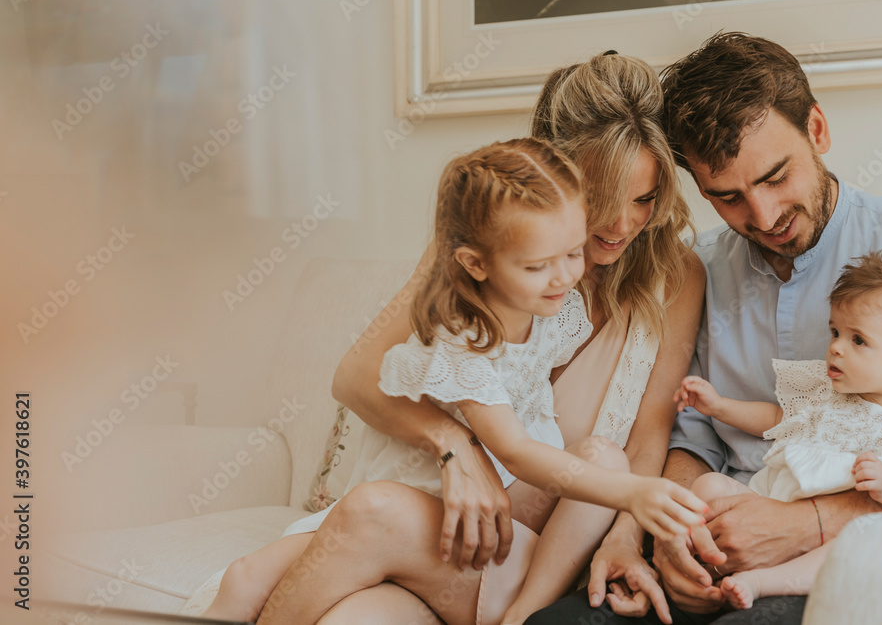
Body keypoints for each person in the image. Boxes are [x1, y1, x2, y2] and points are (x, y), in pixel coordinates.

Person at [205, 52, 710, 624]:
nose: (622, 226)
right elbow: (356, 376)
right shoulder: (485, 258)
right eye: (600, 200)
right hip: (438, 514)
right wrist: (456, 446)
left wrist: (624, 535)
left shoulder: (676, 276)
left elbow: (647, 439)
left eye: (643, 200)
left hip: (535, 538)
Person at [526, 32, 882, 625]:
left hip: (841, 555)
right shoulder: (699, 270)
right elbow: (688, 441)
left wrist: (809, 523)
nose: (764, 216)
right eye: (727, 197)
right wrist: (672, 539)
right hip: (708, 532)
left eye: (776, 177)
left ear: (818, 131)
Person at [675, 251, 882, 610]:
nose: (835, 347)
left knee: (862, 540)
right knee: (707, 487)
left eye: (857, 340)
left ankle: (762, 582)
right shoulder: (825, 388)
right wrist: (720, 406)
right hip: (766, 504)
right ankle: (698, 567)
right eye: (835, 332)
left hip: (829, 533)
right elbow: (777, 418)